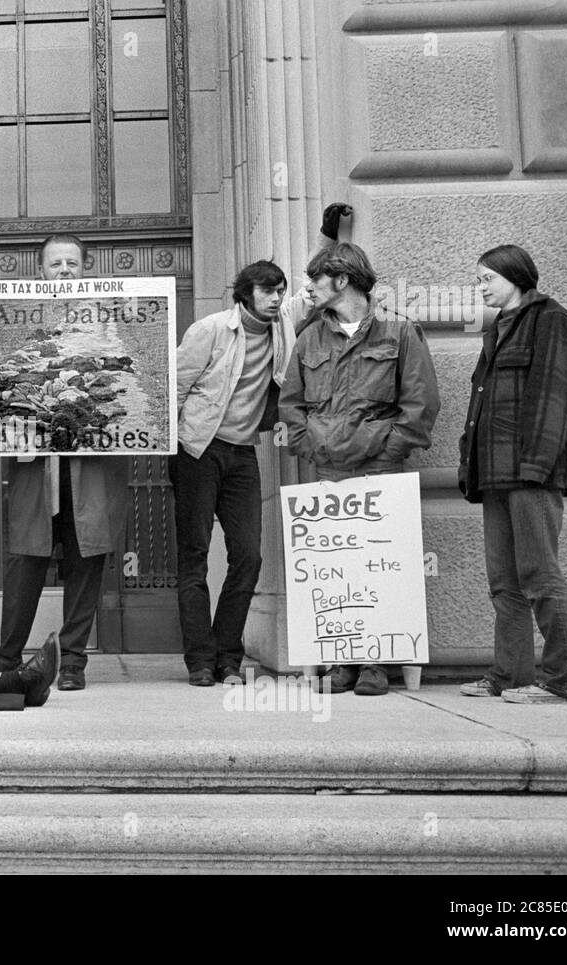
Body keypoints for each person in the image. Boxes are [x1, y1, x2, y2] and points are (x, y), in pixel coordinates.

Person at [171, 205, 346, 687]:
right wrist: (169, 446)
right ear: (245, 294)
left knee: (248, 555)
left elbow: (314, 293)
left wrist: (329, 238)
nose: (277, 298)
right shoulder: (209, 330)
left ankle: (229, 654)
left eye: (280, 292)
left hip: (243, 453)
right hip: (197, 451)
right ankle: (200, 660)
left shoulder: (281, 326)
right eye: (268, 291)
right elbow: (174, 387)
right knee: (194, 555)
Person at [279, 241, 440, 695]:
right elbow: (290, 402)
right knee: (337, 571)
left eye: (315, 279)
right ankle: (342, 663)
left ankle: (375, 665)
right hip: (327, 470)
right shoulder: (310, 337)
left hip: (381, 468)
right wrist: (308, 445)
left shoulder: (400, 331)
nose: (308, 288)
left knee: (379, 566)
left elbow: (421, 403)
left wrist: (389, 450)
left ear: (342, 279)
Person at [0, 234, 129, 692]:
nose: (64, 270)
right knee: (25, 560)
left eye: (72, 263)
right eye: (55, 264)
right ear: (41, 271)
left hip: (89, 463)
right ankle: (6, 658)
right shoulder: (18, 322)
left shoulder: (107, 320)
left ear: (84, 268)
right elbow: (0, 381)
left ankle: (72, 661)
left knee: (86, 558)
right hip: (37, 464)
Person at [457, 245, 567, 704]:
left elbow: (554, 396)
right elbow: (481, 404)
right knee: (504, 582)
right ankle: (510, 675)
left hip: (531, 473)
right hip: (495, 475)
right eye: (479, 280)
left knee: (540, 576)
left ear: (514, 276)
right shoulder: (498, 328)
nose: (481, 287)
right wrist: (469, 465)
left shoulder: (549, 318)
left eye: (487, 279)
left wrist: (536, 466)